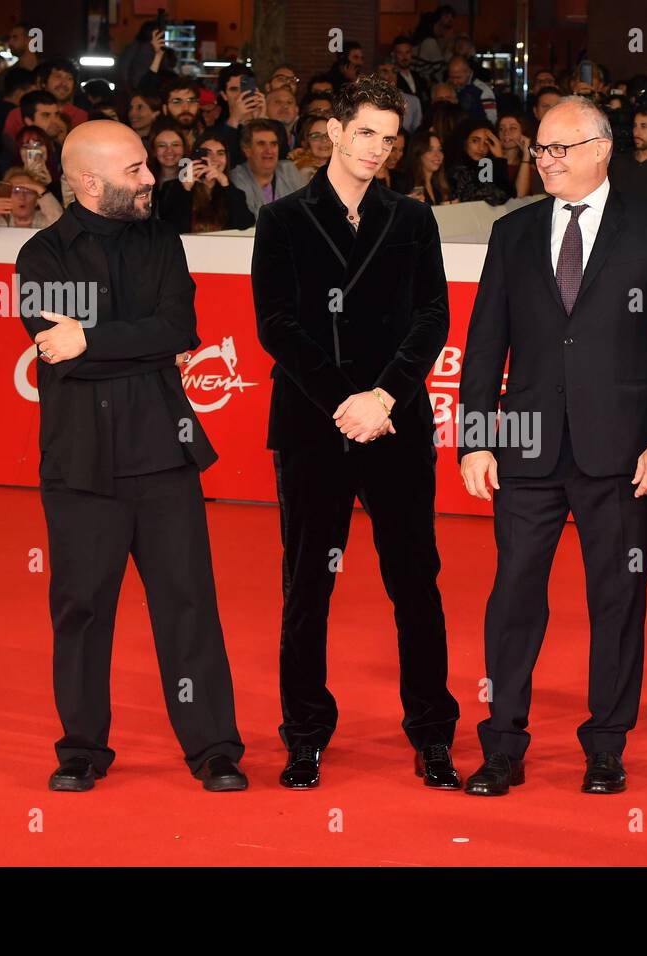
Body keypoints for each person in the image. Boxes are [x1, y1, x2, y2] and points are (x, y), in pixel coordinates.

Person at [457, 95, 647, 796]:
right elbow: (482, 346)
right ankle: (502, 743)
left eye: (560, 149)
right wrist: (476, 439)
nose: (547, 161)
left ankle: (607, 744)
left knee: (618, 599)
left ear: (600, 149)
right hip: (524, 449)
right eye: (539, 150)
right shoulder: (513, 231)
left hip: (621, 455)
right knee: (513, 598)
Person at [14, 120, 247, 793]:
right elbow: (60, 351)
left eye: (148, 166)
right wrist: (116, 345)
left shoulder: (162, 241)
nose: (152, 179)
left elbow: (180, 329)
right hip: (81, 463)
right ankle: (82, 748)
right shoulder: (41, 257)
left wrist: (91, 340)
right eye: (136, 170)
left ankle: (213, 748)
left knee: (188, 603)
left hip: (164, 455)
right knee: (81, 607)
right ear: (91, 182)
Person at [250, 77, 461, 790]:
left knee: (415, 582)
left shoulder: (412, 219)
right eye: (366, 132)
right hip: (313, 426)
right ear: (333, 131)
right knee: (307, 585)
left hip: (395, 423)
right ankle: (304, 733)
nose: (378, 148)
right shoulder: (281, 221)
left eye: (389, 137)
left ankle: (432, 732)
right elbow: (276, 324)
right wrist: (345, 400)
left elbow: (432, 317)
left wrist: (382, 396)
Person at [157, 133, 256, 233]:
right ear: (196, 156)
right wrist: (185, 189)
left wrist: (225, 183)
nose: (214, 159)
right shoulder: (171, 187)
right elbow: (172, 228)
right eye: (207, 153)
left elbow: (244, 224)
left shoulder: (232, 190)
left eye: (220, 153)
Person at [228, 118, 306, 219]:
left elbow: (306, 209)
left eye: (273, 144)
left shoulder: (288, 169)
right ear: (247, 150)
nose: (269, 150)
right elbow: (251, 220)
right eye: (261, 144)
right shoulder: (237, 177)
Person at [0, 165, 62, 232]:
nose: (22, 197)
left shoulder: (45, 220)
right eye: (16, 191)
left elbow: (62, 225)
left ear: (37, 200)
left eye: (28, 191)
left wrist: (42, 190)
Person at [405, 130, 450, 204]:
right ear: (418, 154)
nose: (437, 155)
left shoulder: (440, 184)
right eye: (430, 150)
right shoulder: (407, 183)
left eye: (440, 149)